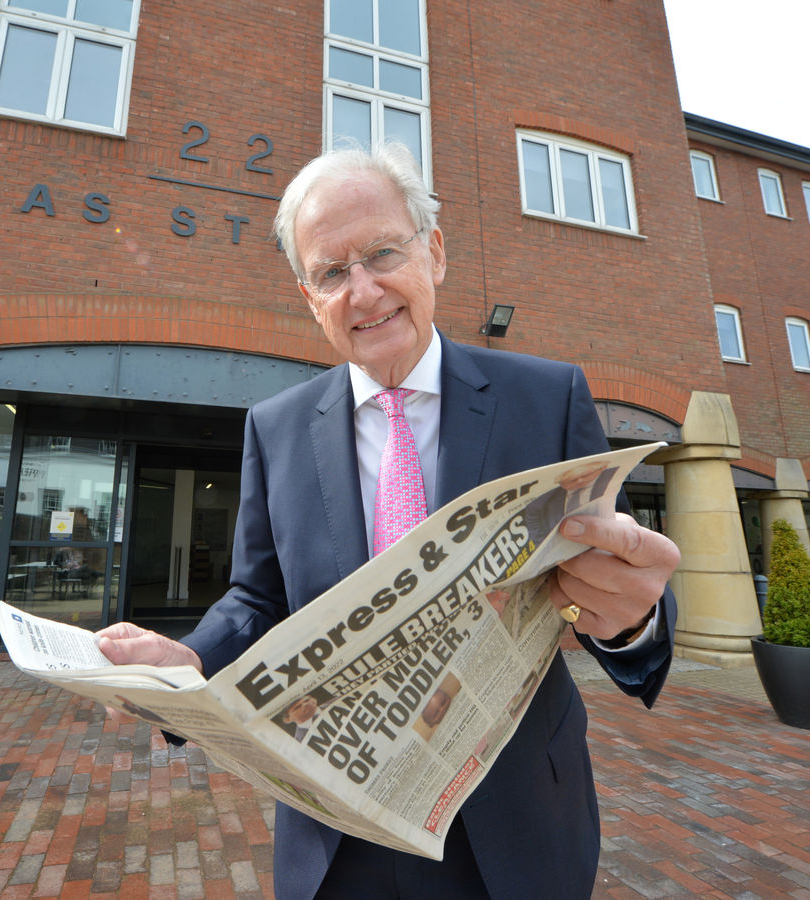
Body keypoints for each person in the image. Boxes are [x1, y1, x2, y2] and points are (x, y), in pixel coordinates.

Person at [96, 144, 680, 899]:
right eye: (331, 273)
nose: (363, 291)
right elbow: (256, 597)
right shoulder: (275, 429)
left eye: (381, 253)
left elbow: (619, 573)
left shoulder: (548, 398)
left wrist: (634, 624)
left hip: (514, 826)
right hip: (338, 837)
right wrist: (191, 665)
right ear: (310, 297)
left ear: (433, 254)